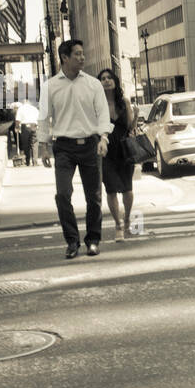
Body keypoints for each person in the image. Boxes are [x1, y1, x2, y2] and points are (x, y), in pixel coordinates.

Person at [38, 40, 111, 258]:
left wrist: (104, 138)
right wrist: (43, 146)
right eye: (77, 54)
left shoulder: (93, 84)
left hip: (90, 144)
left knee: (94, 196)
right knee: (62, 194)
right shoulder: (49, 86)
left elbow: (103, 113)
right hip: (64, 147)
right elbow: (43, 117)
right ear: (64, 57)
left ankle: (93, 240)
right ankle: (72, 241)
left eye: (83, 53)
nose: (82, 57)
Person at [97, 68, 136, 242]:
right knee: (111, 189)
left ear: (115, 81)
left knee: (127, 188)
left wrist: (135, 116)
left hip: (124, 150)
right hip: (105, 152)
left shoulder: (124, 102)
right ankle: (118, 224)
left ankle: (127, 217)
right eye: (103, 78)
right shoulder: (96, 104)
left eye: (109, 78)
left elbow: (129, 126)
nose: (106, 81)